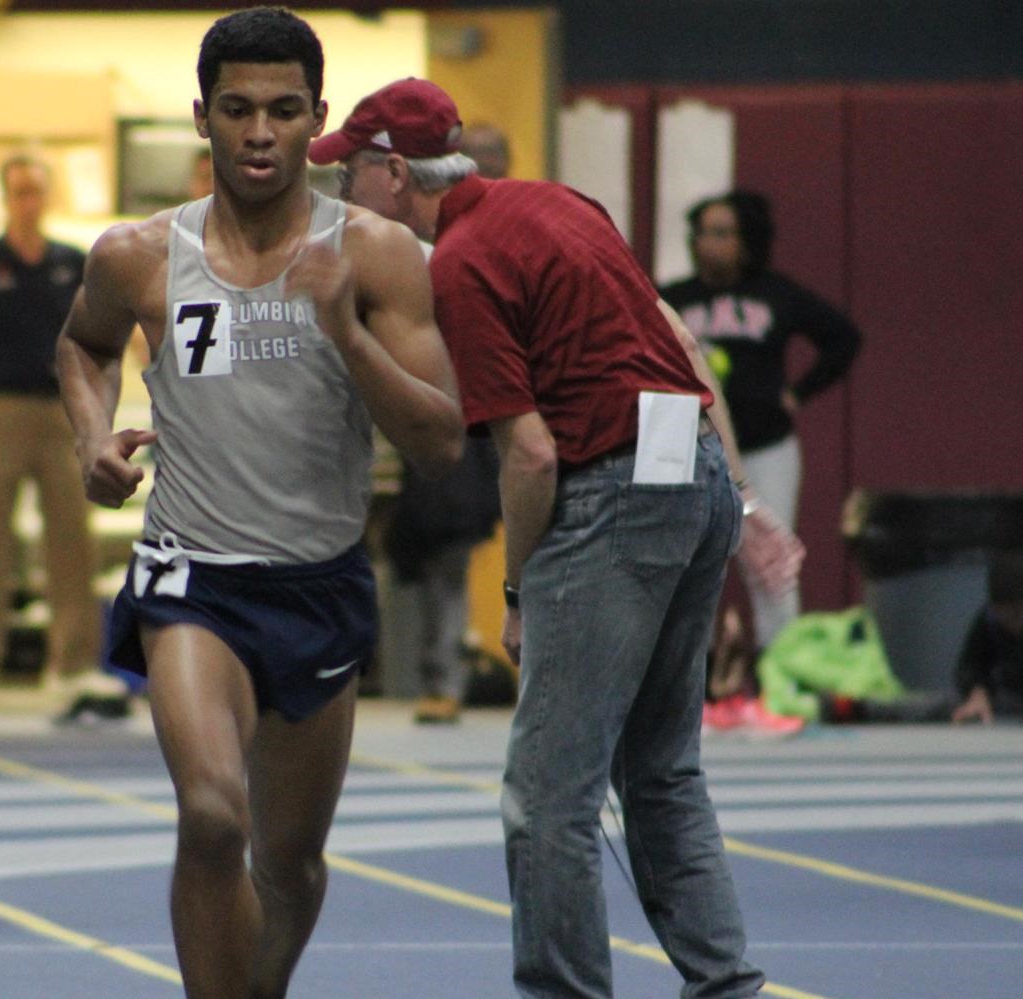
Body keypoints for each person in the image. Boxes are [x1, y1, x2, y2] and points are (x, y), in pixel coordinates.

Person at [311, 75, 803, 998]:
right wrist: (738, 497)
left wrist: (518, 593)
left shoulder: (461, 264)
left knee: (547, 796)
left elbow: (531, 455)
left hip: (613, 492)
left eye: (349, 174)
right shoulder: (559, 203)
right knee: (661, 772)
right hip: (691, 472)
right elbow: (680, 345)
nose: (342, 194)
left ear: (393, 174)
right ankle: (726, 984)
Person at [56, 11, 465, 997]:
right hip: (190, 578)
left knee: (288, 862)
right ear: (201, 117)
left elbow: (441, 441)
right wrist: (90, 435)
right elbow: (82, 343)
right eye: (236, 109)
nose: (258, 133)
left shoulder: (375, 255)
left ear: (317, 118)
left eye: (283, 111)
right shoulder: (139, 254)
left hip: (317, 583)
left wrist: (346, 332)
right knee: (210, 818)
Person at [0, 153, 126, 723]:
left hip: (61, 411)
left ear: (48, 197)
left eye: (37, 192)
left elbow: (96, 340)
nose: (29, 202)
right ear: (5, 197)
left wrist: (98, 417)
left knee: (72, 537)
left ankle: (74, 664)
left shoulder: (72, 262)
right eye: (19, 192)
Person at [661, 190, 862, 650]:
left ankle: (781, 670)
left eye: (722, 233)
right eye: (703, 233)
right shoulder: (673, 299)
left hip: (766, 447)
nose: (709, 243)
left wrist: (798, 393)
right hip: (692, 450)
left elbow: (843, 337)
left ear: (747, 241)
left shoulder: (775, 294)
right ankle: (690, 672)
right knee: (683, 563)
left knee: (771, 564)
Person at [381, 435, 499, 723]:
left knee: (446, 603)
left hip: (445, 519)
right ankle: (443, 687)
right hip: (448, 518)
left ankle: (446, 687)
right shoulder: (472, 429)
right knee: (442, 602)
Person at [951, 550, 1023, 724]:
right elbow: (969, 668)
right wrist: (977, 692)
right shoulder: (988, 622)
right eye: (1007, 617)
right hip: (1008, 706)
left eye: (1019, 613)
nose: (1017, 624)